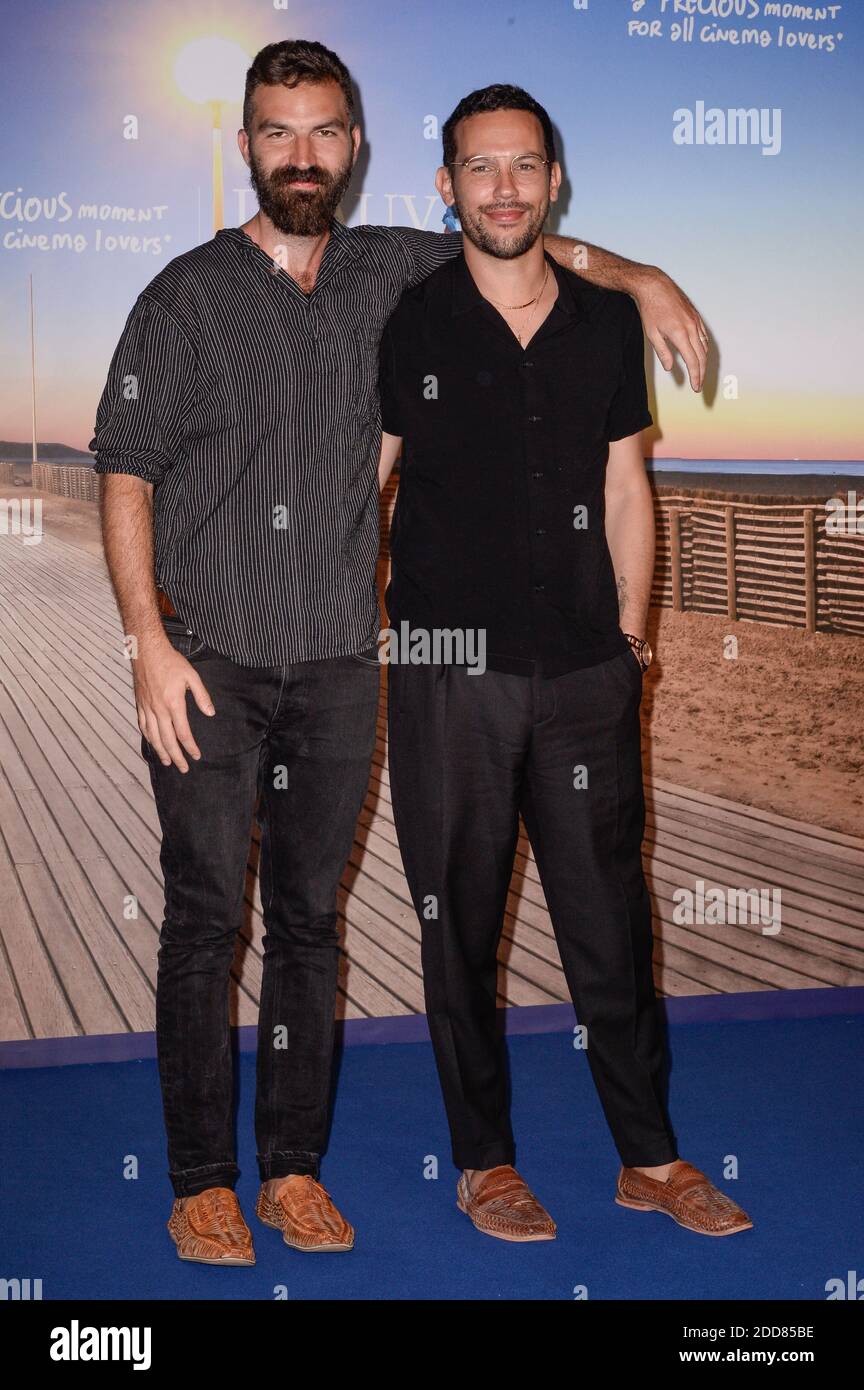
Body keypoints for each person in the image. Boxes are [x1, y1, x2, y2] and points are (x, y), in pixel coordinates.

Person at [90, 39, 709, 1266]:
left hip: (336, 663)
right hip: (208, 660)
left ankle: (293, 1173)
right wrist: (146, 641)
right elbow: (124, 469)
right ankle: (202, 1182)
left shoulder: (389, 269)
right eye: (278, 132)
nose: (302, 154)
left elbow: (520, 237)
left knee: (310, 926)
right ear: (247, 146)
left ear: (356, 148)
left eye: (323, 131)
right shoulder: (184, 293)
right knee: (206, 923)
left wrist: (641, 275)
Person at [378, 83, 752, 1242]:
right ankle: (484, 1162)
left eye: (524, 165)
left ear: (554, 180)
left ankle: (651, 1156)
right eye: (480, 166)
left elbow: (626, 487)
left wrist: (634, 640)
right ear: (446, 185)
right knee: (460, 924)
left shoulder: (601, 323)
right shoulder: (407, 317)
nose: (504, 187)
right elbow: (363, 485)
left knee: (612, 925)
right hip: (449, 674)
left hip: (589, 673)